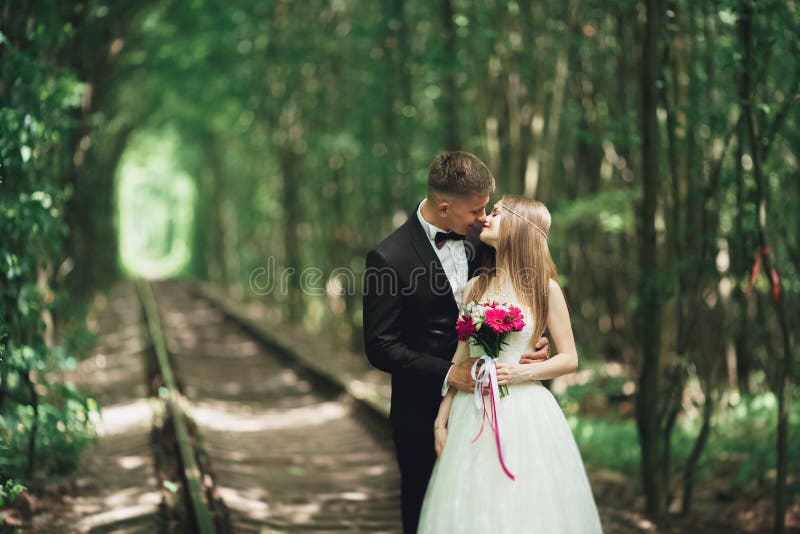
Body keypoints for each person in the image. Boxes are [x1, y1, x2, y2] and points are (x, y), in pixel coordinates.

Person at [362, 152, 550, 534]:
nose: (484, 218)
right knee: (424, 508)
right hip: (420, 409)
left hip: (492, 407)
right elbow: (380, 345)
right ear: (445, 209)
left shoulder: (482, 241)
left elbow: (518, 292)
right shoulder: (387, 258)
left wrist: (530, 338)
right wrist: (449, 373)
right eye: (477, 211)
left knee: (486, 508)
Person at [417, 196, 604, 533]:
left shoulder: (545, 289)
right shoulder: (475, 287)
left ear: (520, 227)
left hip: (524, 412)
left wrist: (523, 371)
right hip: (470, 412)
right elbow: (461, 359)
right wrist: (440, 421)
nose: (487, 217)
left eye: (498, 213)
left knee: (523, 506)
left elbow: (570, 358)